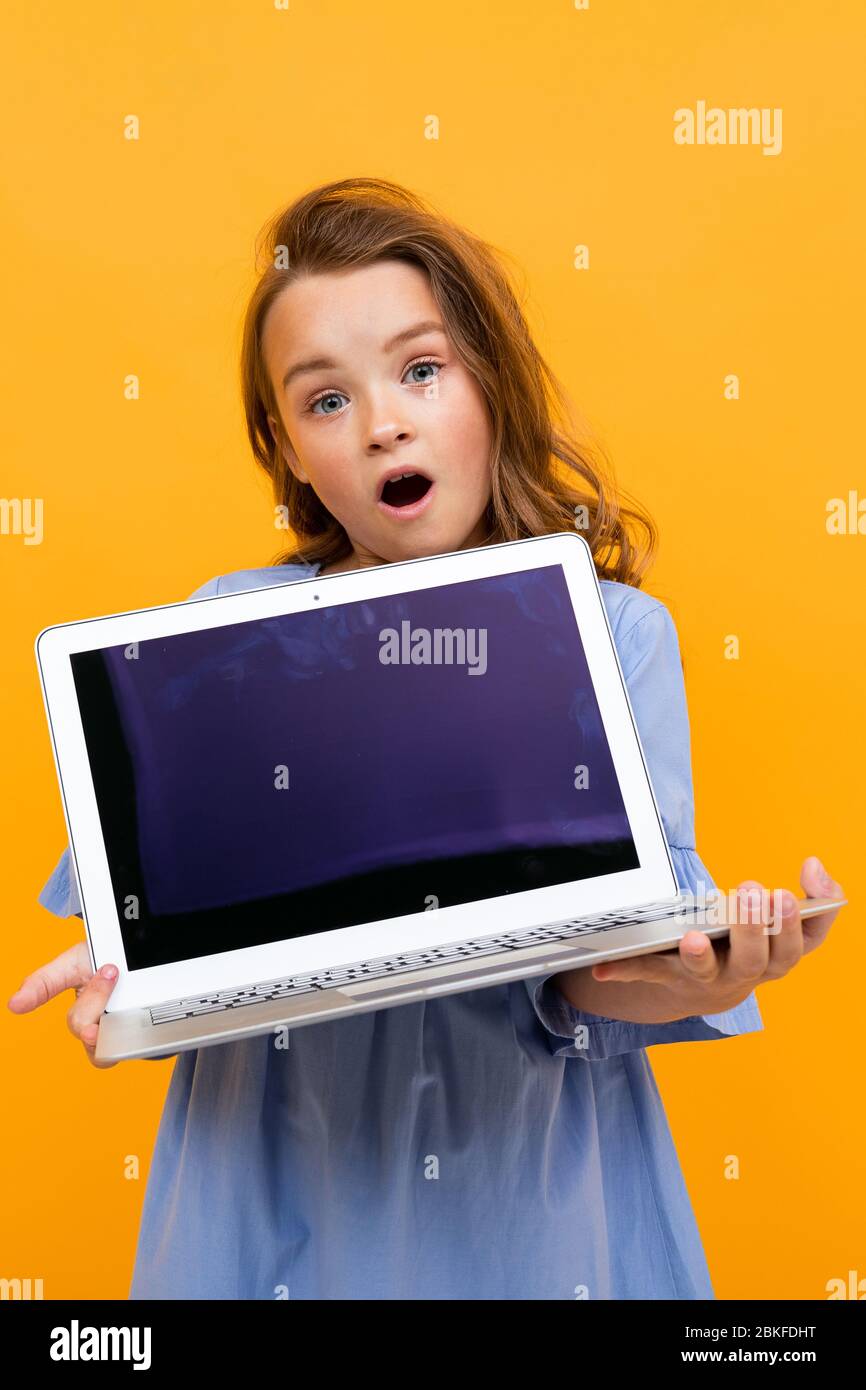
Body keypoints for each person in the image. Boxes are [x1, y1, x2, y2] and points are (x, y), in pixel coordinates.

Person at [10, 178, 845, 1300]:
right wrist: (134, 977)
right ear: (290, 452)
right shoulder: (224, 633)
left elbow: (597, 976)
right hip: (267, 1188)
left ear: (489, 384)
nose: (381, 422)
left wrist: (702, 974)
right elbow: (162, 951)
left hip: (526, 1204)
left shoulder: (614, 634)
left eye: (418, 370)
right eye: (323, 401)